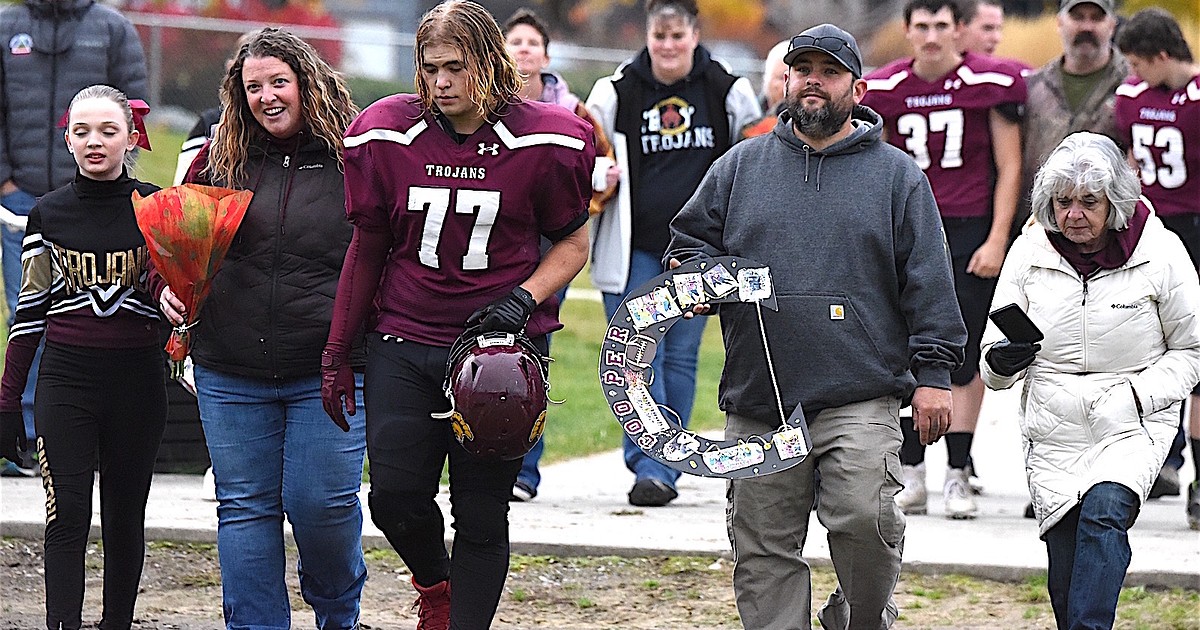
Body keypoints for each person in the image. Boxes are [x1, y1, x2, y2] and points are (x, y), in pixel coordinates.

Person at [665, 23, 965, 629]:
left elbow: (929, 281)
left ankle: (860, 614)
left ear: (856, 86)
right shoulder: (739, 166)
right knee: (762, 546)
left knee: (865, 519)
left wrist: (934, 375)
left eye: (828, 72)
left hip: (859, 391)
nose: (813, 83)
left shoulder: (897, 176)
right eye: (803, 71)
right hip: (760, 398)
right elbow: (684, 248)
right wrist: (713, 278)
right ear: (786, 79)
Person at [319, 2, 593, 628]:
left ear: (488, 64)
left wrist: (523, 300)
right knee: (393, 498)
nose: (441, 82)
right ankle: (438, 586)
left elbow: (574, 244)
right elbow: (366, 247)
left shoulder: (545, 137)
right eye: (430, 67)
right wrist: (338, 352)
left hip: (498, 353)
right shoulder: (386, 131)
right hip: (405, 338)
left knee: (481, 510)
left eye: (455, 67)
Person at [158, 27, 368, 630]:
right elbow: (175, 244)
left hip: (326, 369)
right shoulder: (214, 159)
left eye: (280, 82)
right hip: (230, 367)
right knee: (245, 507)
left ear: (309, 82)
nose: (268, 96)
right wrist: (168, 290)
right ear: (236, 93)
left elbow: (384, 250)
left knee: (319, 504)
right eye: (254, 87)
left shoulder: (356, 157)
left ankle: (337, 611)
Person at [980, 131, 1200, 630]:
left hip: (1130, 418)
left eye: (1088, 202)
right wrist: (1003, 362)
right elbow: (991, 360)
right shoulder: (1028, 251)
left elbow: (1193, 348)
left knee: (1104, 514)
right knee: (1066, 560)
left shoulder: (1161, 251)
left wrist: (1135, 398)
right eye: (1061, 203)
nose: (1073, 215)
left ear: (1115, 203)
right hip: (1054, 423)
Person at [0, 85, 163, 630]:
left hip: (138, 386)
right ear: (67, 140)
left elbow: (180, 300)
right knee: (66, 513)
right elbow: (28, 314)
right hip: (66, 385)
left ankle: (117, 622)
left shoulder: (157, 207)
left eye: (109, 130)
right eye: (82, 131)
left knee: (124, 518)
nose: (95, 142)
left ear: (131, 137)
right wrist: (6, 399)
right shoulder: (47, 213)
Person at [586, 0, 760, 507]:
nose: (666, 45)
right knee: (635, 360)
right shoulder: (616, 90)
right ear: (646, 35)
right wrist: (602, 177)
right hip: (635, 247)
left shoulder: (726, 89)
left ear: (695, 34)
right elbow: (588, 153)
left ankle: (664, 467)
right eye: (658, 35)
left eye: (676, 35)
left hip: (698, 251)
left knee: (680, 358)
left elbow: (753, 151)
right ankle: (650, 463)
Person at [861, 0, 1025, 519]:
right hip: (907, 230)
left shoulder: (988, 83)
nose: (931, 36)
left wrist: (998, 237)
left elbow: (1010, 166)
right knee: (905, 349)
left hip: (968, 228)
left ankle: (958, 470)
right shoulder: (886, 89)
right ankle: (911, 471)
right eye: (922, 26)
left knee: (964, 351)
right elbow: (869, 170)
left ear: (959, 31)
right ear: (907, 32)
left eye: (941, 26)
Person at [0, 0, 149, 477]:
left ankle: (101, 439)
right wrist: (5, 182)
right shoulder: (6, 26)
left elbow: (135, 108)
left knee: (98, 317)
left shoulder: (113, 29)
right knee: (29, 314)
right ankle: (28, 439)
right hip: (20, 200)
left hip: (97, 204)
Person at [501, 6, 618, 502]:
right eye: (515, 42)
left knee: (534, 348)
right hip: (499, 241)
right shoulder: (486, 107)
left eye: (532, 42)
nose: (524, 49)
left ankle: (526, 469)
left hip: (552, 246)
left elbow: (605, 167)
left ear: (547, 55)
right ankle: (483, 457)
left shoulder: (575, 113)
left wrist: (587, 201)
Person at [1115, 8, 1200, 524]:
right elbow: (1128, 162)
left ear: (1162, 56)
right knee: (1153, 348)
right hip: (1154, 230)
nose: (1132, 74)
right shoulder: (1131, 98)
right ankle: (1162, 461)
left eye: (1138, 63)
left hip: (1196, 223)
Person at [1021, 0, 1127, 234]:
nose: (1087, 27)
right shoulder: (1031, 87)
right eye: (1078, 17)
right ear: (1059, 22)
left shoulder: (1133, 87)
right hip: (1037, 230)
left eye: (1096, 18)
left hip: (1109, 233)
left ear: (1112, 24)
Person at [741, 39, 789, 139]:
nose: (787, 85)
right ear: (767, 78)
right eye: (781, 78)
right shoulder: (747, 117)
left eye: (793, 78)